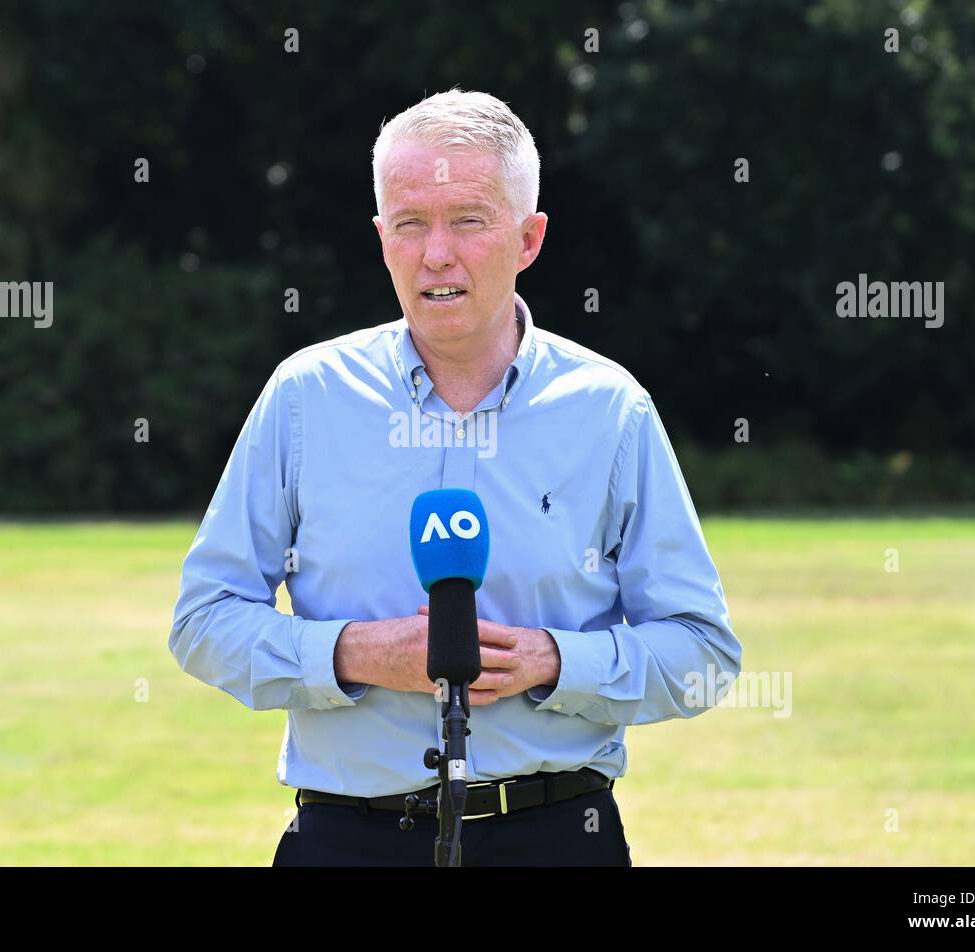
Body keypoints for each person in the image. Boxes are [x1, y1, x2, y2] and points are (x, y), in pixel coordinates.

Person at [169, 89, 741, 866]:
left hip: (556, 835)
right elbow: (203, 620)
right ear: (381, 240)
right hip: (345, 840)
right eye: (410, 224)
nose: (436, 253)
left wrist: (556, 662)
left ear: (529, 237)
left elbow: (702, 654)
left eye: (468, 220)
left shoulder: (611, 410)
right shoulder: (305, 397)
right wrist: (351, 654)